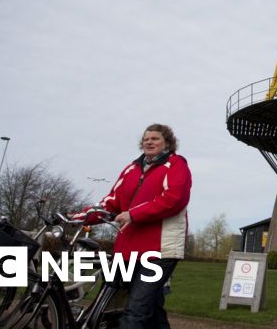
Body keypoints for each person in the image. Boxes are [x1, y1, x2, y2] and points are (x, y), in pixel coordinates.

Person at [76, 123, 192, 328]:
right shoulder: (132, 169)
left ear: (167, 143)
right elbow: (111, 202)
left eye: (155, 138)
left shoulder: (176, 164)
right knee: (151, 307)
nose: (149, 142)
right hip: (128, 248)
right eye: (146, 139)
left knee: (136, 310)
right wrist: (79, 217)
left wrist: (134, 214)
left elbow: (174, 199)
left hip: (159, 250)